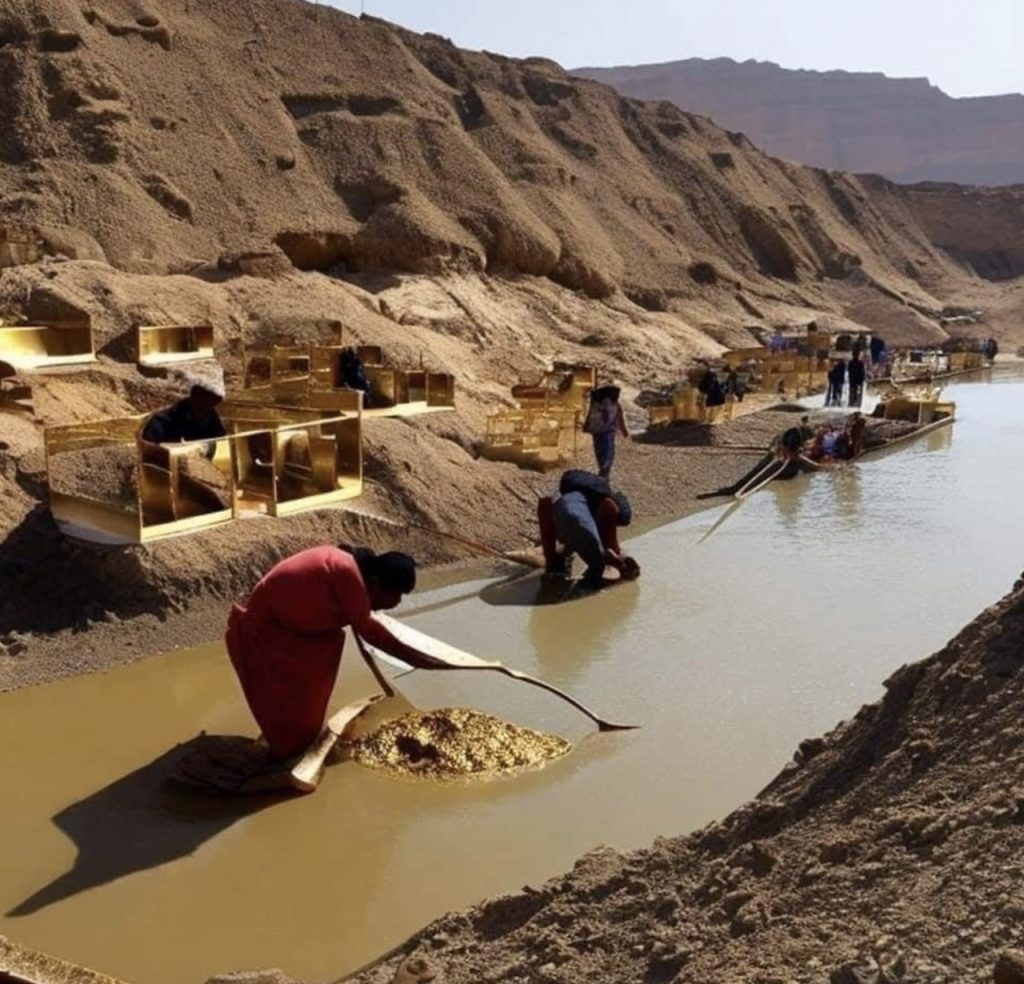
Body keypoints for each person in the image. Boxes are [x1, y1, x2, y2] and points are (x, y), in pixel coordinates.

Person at [226, 544, 446, 762]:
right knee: (285, 699)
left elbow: (365, 623)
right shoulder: (347, 573)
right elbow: (370, 631)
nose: (396, 602)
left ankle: (297, 738)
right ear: (375, 582)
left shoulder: (351, 570)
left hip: (294, 630)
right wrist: (418, 659)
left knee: (322, 660)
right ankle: (286, 751)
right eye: (394, 594)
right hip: (269, 631)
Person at [537, 470, 639, 590]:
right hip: (573, 518)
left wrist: (552, 564)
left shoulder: (603, 505)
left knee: (582, 545)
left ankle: (565, 558)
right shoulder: (608, 508)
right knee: (597, 563)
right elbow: (612, 548)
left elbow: (549, 534)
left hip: (570, 516)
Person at [140, 379, 227, 467]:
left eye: (210, 405)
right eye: (200, 406)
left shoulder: (210, 414)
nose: (203, 410)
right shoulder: (161, 420)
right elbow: (146, 451)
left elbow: (219, 440)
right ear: (192, 397)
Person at [583, 384, 628, 479]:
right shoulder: (610, 404)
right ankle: (604, 471)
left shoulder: (598, 403)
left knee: (602, 451)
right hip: (606, 431)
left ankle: (603, 471)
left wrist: (587, 427)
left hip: (599, 430)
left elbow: (591, 417)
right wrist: (623, 430)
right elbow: (617, 417)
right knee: (607, 451)